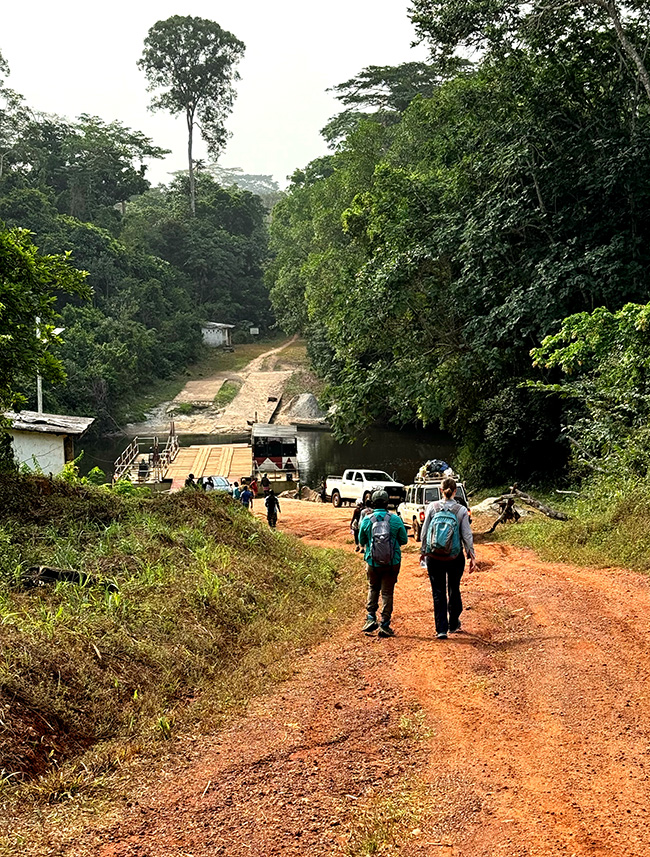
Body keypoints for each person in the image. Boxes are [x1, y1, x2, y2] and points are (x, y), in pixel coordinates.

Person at [420, 476, 476, 640]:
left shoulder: (432, 507)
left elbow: (424, 533)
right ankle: (453, 623)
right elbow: (467, 534)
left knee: (438, 591)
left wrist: (423, 552)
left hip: (434, 556)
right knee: (454, 587)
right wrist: (471, 555)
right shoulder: (461, 510)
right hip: (454, 556)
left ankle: (441, 630)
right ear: (455, 491)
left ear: (440, 490)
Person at [358, 489, 408, 638]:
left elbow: (361, 541)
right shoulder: (395, 520)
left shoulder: (367, 519)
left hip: (372, 562)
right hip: (392, 562)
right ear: (387, 503)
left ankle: (370, 618)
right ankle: (385, 624)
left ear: (372, 503)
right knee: (387, 592)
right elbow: (404, 540)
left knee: (373, 587)